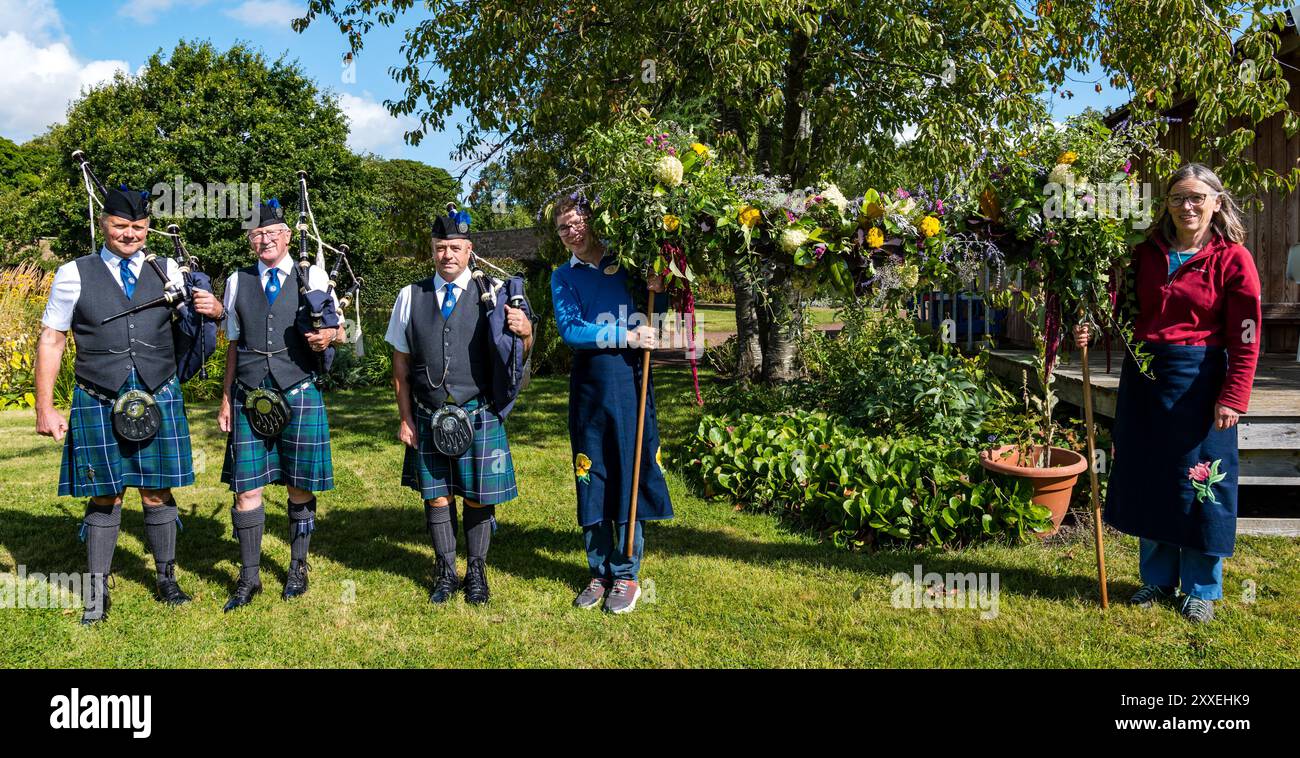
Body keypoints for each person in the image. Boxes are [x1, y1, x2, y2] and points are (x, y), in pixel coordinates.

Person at [1075, 163, 1261, 623]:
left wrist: (1234, 395)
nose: (1188, 206)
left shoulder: (1233, 258)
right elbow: (1117, 303)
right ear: (1167, 205)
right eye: (1178, 197)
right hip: (1145, 376)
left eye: (1197, 196)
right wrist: (1089, 326)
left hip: (1201, 379)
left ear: (1217, 202)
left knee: (1202, 482)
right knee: (1151, 477)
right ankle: (1155, 580)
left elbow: (1246, 332)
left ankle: (1200, 587)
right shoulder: (1146, 252)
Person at [34, 186, 224, 624]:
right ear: (104, 224)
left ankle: (166, 579)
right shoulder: (73, 273)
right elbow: (52, 338)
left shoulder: (169, 270)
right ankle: (97, 593)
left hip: (157, 392)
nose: (130, 234)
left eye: (138, 227)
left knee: (157, 491)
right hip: (98, 394)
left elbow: (199, 324)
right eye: (121, 226)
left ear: (148, 227)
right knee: (106, 494)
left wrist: (214, 310)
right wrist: (45, 407)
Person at [385, 206, 534, 606]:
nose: (447, 255)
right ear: (431, 250)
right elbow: (400, 364)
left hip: (478, 409)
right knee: (436, 496)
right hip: (427, 413)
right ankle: (446, 572)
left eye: (455, 247)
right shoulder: (409, 296)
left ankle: (477, 573)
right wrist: (404, 418)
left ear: (469, 250)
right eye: (440, 248)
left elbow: (517, 351)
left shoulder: (494, 295)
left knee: (479, 495)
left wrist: (528, 331)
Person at [549, 194, 671, 615]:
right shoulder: (562, 277)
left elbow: (660, 310)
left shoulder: (628, 263)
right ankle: (598, 571)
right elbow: (572, 330)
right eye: (563, 227)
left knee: (628, 470)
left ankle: (626, 573)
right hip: (589, 387)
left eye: (577, 222)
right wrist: (626, 334)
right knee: (592, 473)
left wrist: (660, 286)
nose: (572, 232)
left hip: (629, 382)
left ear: (592, 221)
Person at [218, 199, 342, 612]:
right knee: (245, 488)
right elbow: (232, 344)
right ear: (250, 241)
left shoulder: (314, 275)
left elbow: (342, 331)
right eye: (256, 234)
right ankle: (249, 577)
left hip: (298, 390)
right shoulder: (236, 281)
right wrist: (225, 398)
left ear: (288, 237)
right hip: (250, 395)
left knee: (298, 484)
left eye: (272, 233)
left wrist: (330, 338)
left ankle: (297, 566)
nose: (265, 240)